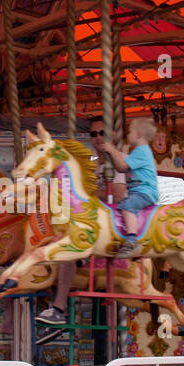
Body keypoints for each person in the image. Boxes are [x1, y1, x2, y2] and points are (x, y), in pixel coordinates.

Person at [35, 118, 113, 334]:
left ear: (112, 134)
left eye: (102, 132)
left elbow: (117, 193)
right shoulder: (92, 160)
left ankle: (59, 309)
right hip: (89, 218)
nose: (97, 138)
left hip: (108, 222)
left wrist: (86, 195)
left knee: (68, 248)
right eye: (93, 134)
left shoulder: (117, 162)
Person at [101, 117, 160, 260]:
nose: (128, 135)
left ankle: (132, 240)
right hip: (138, 191)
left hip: (145, 191)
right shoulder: (139, 152)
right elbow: (121, 166)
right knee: (122, 206)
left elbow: (122, 166)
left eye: (130, 131)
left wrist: (112, 150)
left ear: (138, 134)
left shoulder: (142, 151)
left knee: (127, 206)